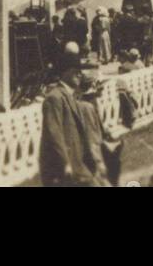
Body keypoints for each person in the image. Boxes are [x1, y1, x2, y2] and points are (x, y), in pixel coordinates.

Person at [39, 52, 106, 186]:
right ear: (66, 72)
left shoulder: (70, 96)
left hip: (78, 164)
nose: (80, 74)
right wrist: (65, 164)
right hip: (63, 169)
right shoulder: (55, 98)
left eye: (81, 71)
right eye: (76, 71)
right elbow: (54, 134)